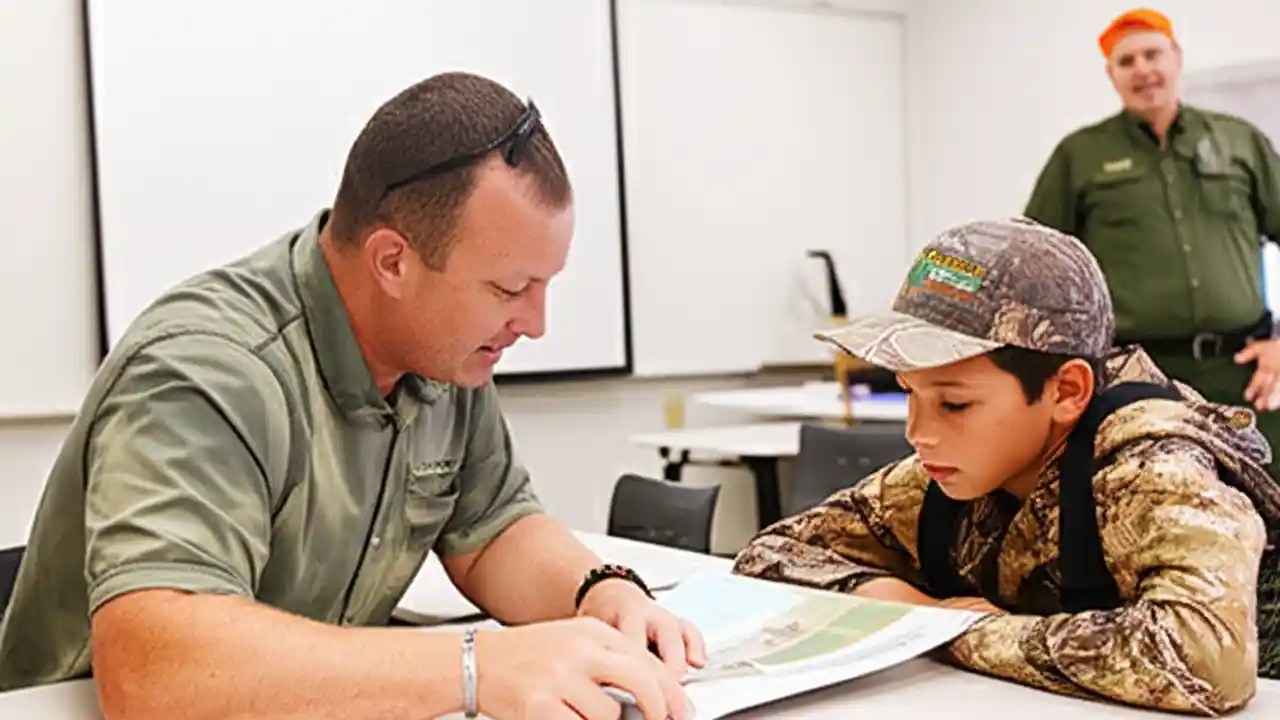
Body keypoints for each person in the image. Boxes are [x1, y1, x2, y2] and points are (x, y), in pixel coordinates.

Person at [0, 72, 703, 720]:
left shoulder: (442, 355)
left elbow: (493, 530)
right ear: (392, 261)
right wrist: (474, 666)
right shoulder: (206, 371)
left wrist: (602, 592)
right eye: (508, 290)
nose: (536, 324)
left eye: (545, 284)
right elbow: (154, 670)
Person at [733, 217, 1280, 713]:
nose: (917, 433)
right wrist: (908, 604)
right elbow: (771, 555)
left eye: (955, 404)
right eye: (909, 394)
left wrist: (955, 630)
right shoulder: (945, 474)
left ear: (1066, 391)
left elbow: (1209, 660)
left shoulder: (1156, 468)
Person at [1023, 8, 1280, 480]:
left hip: (1241, 376)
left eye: (1152, 54)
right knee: (1153, 506)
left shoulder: (1239, 142)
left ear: (1176, 57)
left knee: (1266, 513)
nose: (1142, 69)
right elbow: (1039, 266)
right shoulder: (1080, 156)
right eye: (1126, 61)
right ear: (1112, 76)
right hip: (1137, 377)